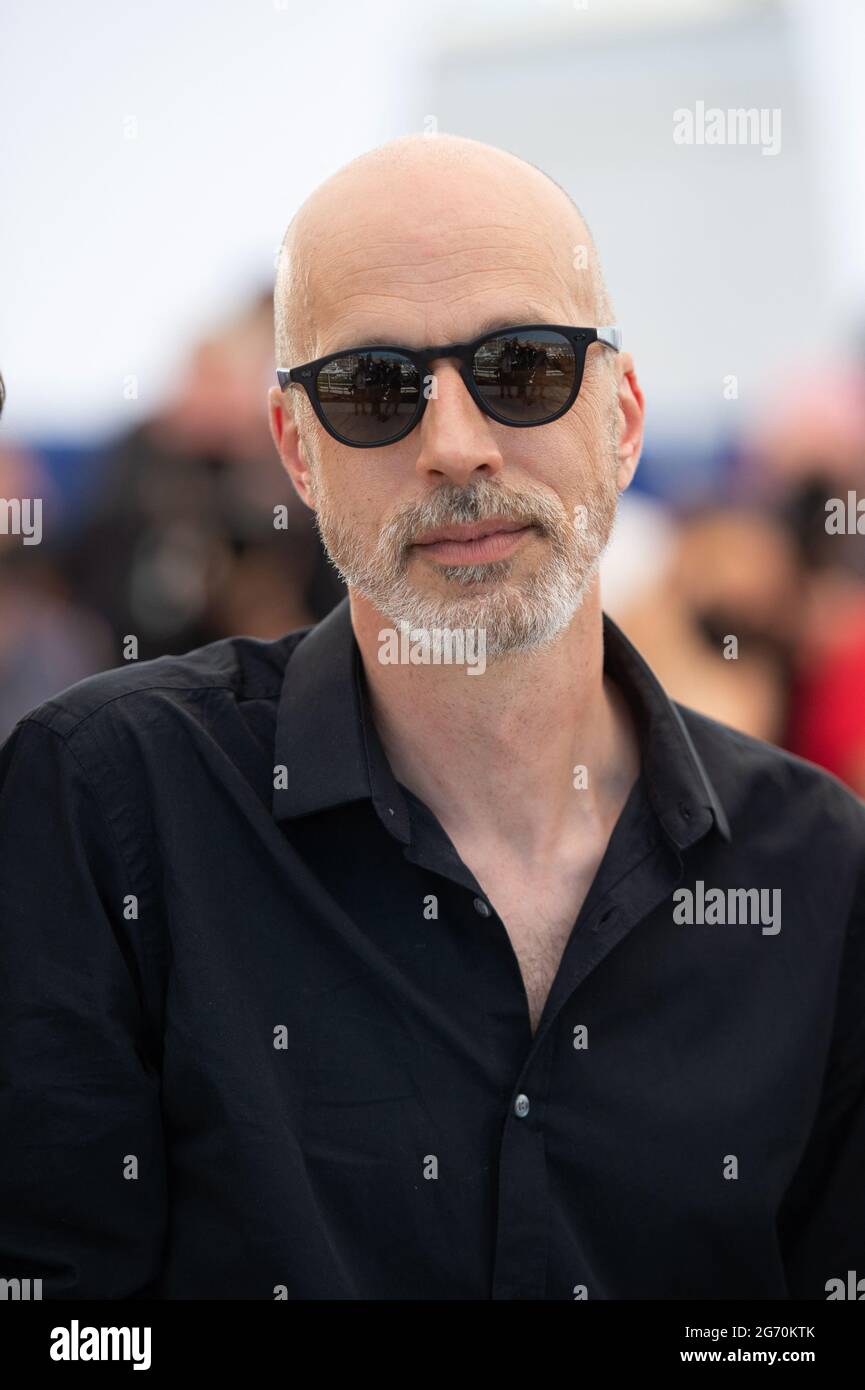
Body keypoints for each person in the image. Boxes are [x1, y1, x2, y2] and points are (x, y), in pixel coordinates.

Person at [0, 133, 862, 1301]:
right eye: (373, 389)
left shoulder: (819, 871)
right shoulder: (104, 806)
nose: (454, 445)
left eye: (523, 368)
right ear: (296, 450)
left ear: (624, 419)